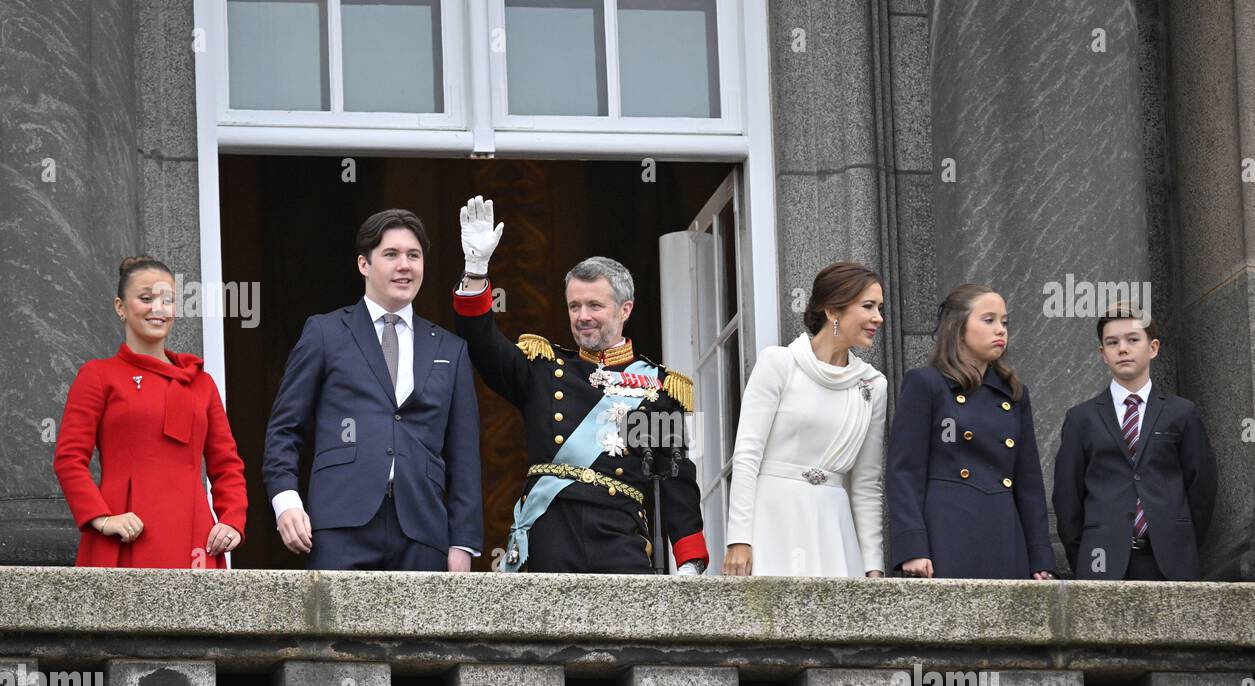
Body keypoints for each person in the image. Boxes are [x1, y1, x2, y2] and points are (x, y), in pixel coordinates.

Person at [451, 197, 708, 574]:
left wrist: (689, 562)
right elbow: (483, 344)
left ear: (626, 310)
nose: (583, 317)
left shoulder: (657, 390)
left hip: (620, 543)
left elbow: (675, 480)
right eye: (574, 307)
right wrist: (476, 271)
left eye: (594, 306)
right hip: (549, 539)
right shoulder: (542, 369)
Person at [263, 209, 483, 571]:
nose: (405, 266)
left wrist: (463, 541)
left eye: (414, 255)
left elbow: (464, 455)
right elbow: (285, 429)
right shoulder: (325, 332)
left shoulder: (450, 349)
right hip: (339, 524)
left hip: (423, 529)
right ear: (364, 264)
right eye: (391, 254)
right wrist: (286, 501)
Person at [54, 256, 247, 568]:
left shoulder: (201, 383)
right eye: (146, 298)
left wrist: (232, 520)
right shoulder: (99, 375)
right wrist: (102, 518)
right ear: (121, 307)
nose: (159, 309)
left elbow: (227, 466)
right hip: (124, 535)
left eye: (168, 300)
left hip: (195, 538)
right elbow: (68, 459)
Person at [723, 262, 888, 577]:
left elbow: (866, 483)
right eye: (868, 306)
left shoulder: (873, 385)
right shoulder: (779, 363)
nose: (877, 318)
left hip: (833, 529)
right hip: (773, 520)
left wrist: (872, 567)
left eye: (879, 308)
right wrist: (739, 539)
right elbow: (747, 455)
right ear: (833, 311)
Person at [886, 283, 1055, 579]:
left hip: (1004, 534)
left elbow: (1029, 483)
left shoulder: (1014, 394)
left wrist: (1041, 558)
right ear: (957, 327)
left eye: (1004, 322)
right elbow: (904, 472)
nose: (1000, 329)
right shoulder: (926, 384)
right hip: (946, 535)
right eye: (988, 320)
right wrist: (912, 546)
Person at [1052, 303, 1217, 580]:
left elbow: (1201, 486)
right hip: (1101, 561)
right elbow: (1068, 497)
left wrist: (1182, 540)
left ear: (1153, 347)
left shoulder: (1181, 412)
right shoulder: (1081, 418)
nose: (1123, 349)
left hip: (1170, 560)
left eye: (1132, 339)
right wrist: (1084, 554)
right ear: (1103, 354)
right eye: (1112, 343)